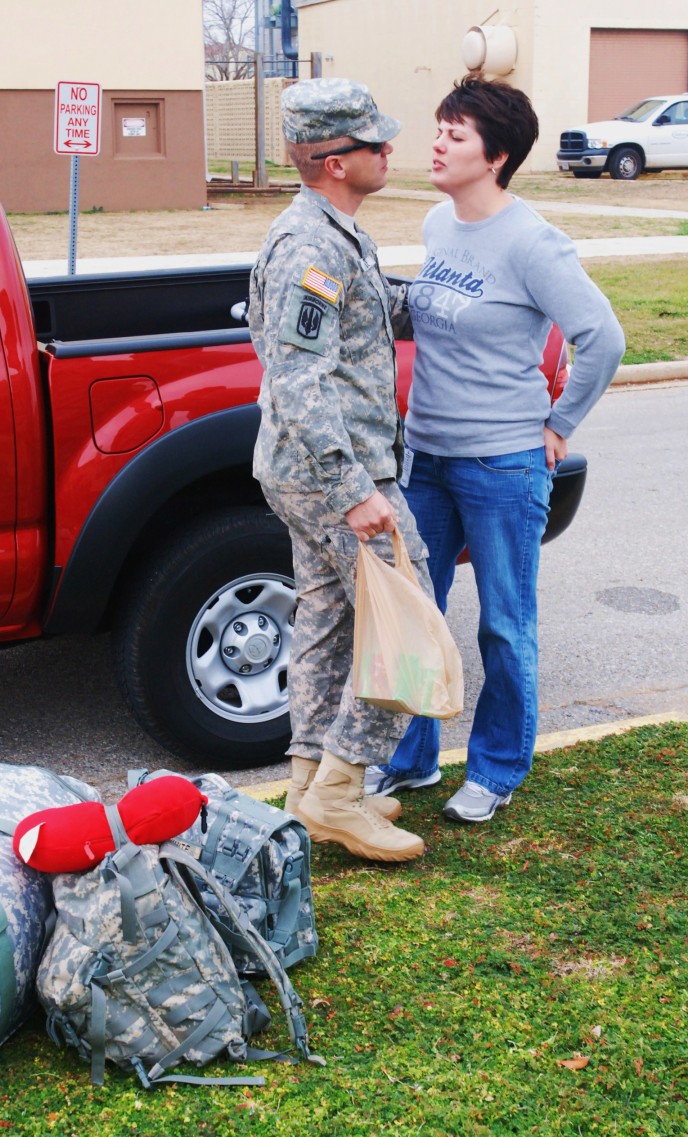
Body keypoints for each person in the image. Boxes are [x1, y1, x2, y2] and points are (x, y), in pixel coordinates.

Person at [366, 74, 626, 823]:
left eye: (456, 133)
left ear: (497, 154)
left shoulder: (533, 242)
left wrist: (558, 423)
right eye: (440, 128)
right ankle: (410, 760)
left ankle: (497, 768)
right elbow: (434, 315)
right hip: (429, 457)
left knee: (504, 625)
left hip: (503, 464)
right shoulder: (438, 225)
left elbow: (602, 339)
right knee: (418, 612)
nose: (437, 143)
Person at [249, 77, 432, 862]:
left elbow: (359, 324)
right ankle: (341, 790)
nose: (389, 150)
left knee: (325, 624)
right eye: (374, 143)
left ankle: (306, 786)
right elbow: (297, 378)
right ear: (331, 161)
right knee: (410, 627)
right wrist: (355, 490)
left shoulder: (334, 230)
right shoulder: (313, 247)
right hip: (336, 476)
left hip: (312, 471)